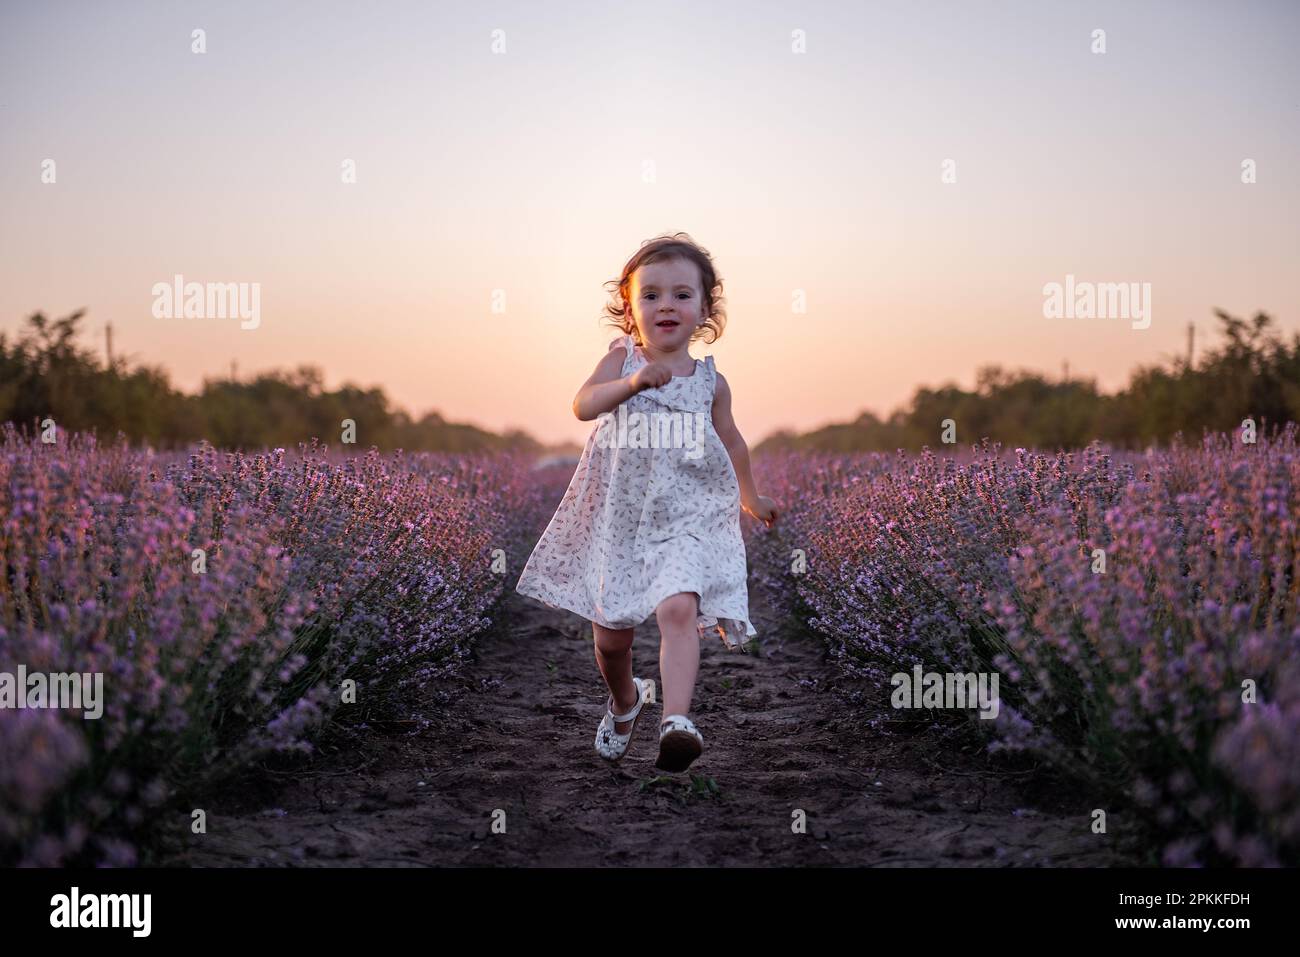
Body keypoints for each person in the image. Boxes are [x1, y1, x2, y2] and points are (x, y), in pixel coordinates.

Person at [515, 232, 778, 773]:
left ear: (705, 309)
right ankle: (625, 702)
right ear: (631, 311)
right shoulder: (620, 360)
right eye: (651, 295)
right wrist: (633, 382)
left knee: (680, 607)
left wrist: (750, 496)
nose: (667, 305)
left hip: (686, 516)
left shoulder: (711, 381)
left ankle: (676, 722)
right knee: (612, 641)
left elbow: (731, 440)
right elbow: (583, 405)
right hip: (622, 521)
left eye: (682, 295)